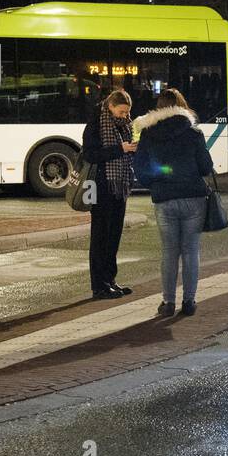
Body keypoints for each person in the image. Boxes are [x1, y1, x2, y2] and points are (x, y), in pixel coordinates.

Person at [133, 89, 213, 317]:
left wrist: (155, 183)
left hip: (164, 199)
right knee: (190, 251)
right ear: (182, 107)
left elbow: (141, 170)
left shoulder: (148, 134)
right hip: (193, 198)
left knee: (169, 251)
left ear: (159, 108)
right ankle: (189, 302)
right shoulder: (194, 133)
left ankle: (168, 303)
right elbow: (206, 167)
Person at [82, 89, 137, 299]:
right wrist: (120, 149)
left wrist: (132, 148)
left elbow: (124, 149)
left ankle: (110, 280)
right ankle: (99, 285)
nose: (125, 116)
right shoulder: (96, 124)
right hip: (102, 186)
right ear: (111, 107)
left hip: (119, 186)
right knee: (100, 236)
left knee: (114, 235)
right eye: (122, 112)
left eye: (127, 112)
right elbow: (91, 155)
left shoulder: (123, 125)